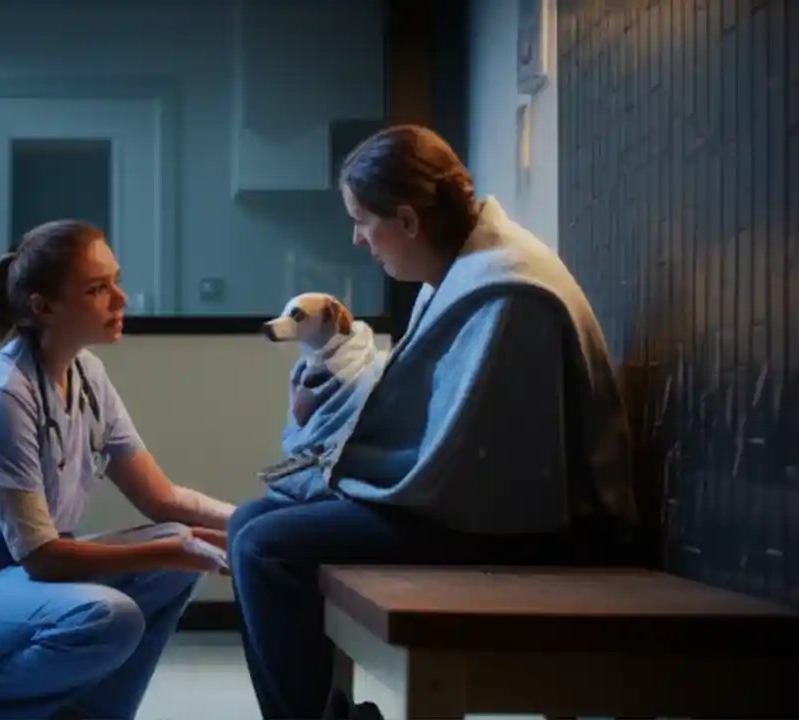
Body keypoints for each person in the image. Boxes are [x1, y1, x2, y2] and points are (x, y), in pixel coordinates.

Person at [227, 125, 641, 719]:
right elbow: (445, 424)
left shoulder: (507, 291)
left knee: (267, 547)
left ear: (407, 220)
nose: (358, 238)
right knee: (250, 521)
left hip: (532, 525)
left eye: (363, 220)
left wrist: (339, 474)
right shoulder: (463, 269)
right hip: (474, 502)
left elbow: (475, 471)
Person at [0, 219, 237, 720]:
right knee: (111, 614)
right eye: (98, 289)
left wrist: (257, 523)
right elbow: (43, 559)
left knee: (175, 548)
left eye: (116, 280)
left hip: (20, 580)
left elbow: (160, 497)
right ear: (44, 307)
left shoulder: (88, 374)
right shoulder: (0, 396)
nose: (121, 299)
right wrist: (176, 550)